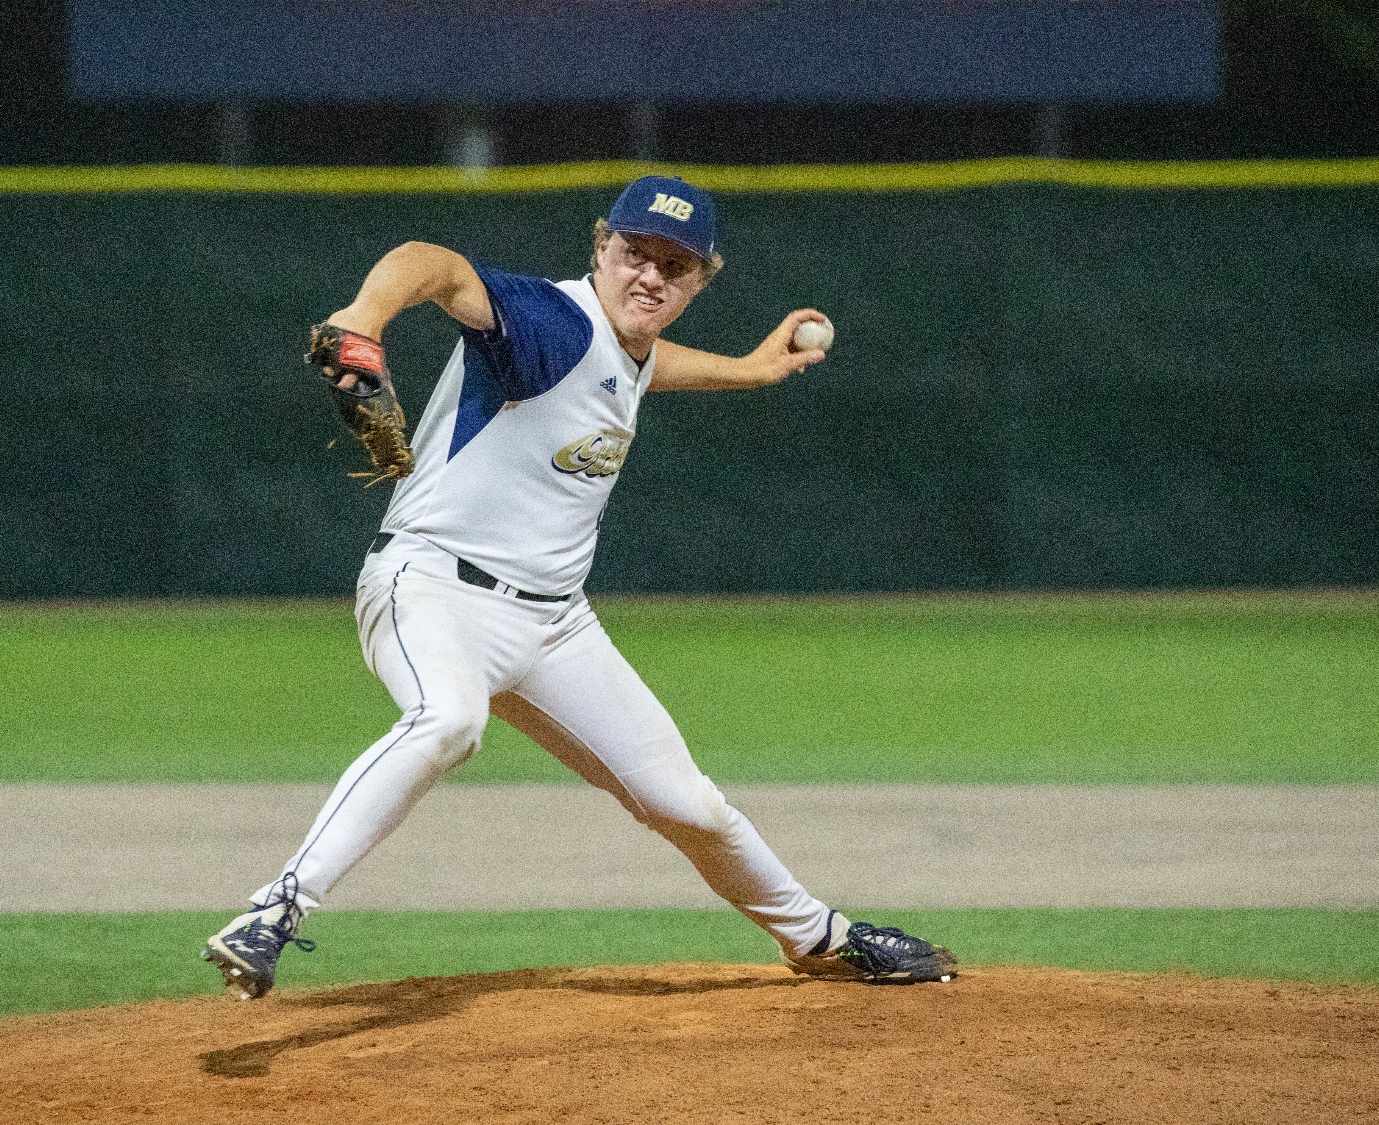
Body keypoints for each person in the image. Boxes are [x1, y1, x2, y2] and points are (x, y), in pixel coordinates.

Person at [203, 176, 956, 998]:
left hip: (556, 627)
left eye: (676, 266)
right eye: (635, 253)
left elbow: (641, 364)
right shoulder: (551, 322)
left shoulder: (618, 346)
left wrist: (746, 370)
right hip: (434, 592)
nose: (650, 277)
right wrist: (365, 317)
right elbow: (438, 265)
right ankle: (274, 909)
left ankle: (817, 936)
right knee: (449, 718)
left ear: (701, 281)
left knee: (689, 804)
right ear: (600, 249)